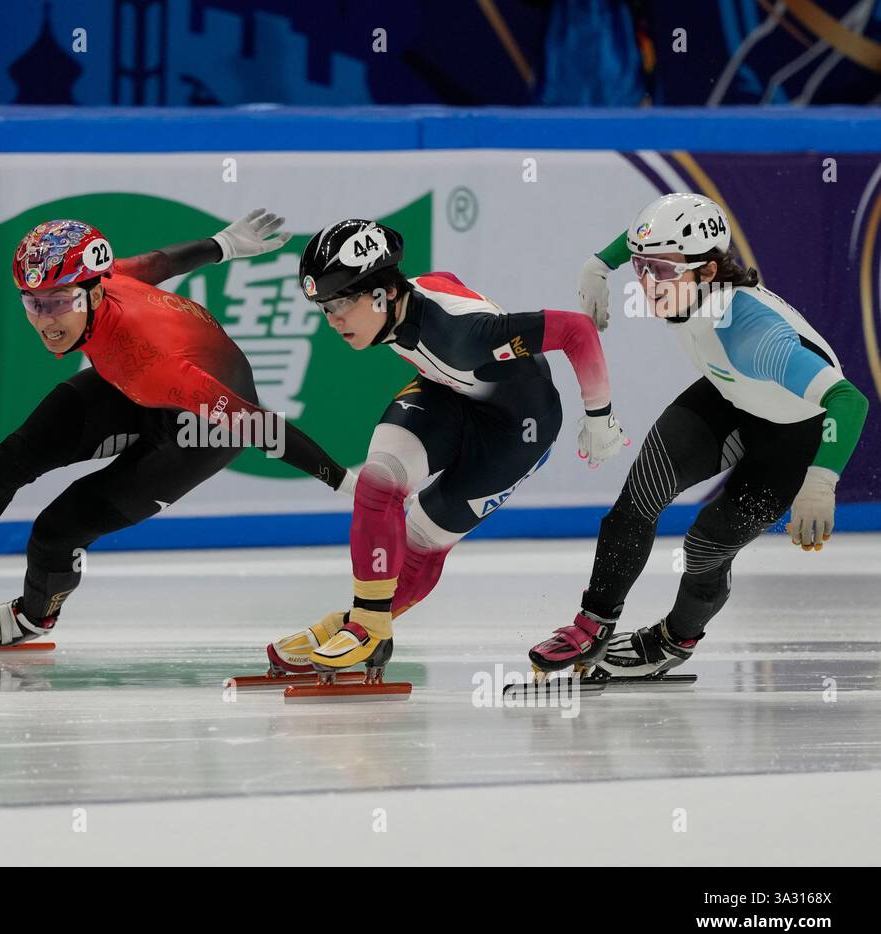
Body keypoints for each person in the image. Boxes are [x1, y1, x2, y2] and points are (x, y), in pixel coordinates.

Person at [0, 211, 353, 645]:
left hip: (197, 429)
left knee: (56, 530)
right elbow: (158, 262)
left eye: (58, 302)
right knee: (1, 468)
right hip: (126, 385)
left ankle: (33, 617)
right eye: (33, 303)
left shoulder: (159, 362)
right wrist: (222, 245)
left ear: (93, 290)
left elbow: (257, 425)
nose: (46, 319)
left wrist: (343, 479)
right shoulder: (103, 281)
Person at [269, 218, 624, 681]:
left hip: (517, 432)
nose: (332, 318)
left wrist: (601, 418)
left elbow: (576, 330)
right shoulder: (399, 303)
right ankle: (367, 624)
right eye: (323, 306)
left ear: (385, 292)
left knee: (421, 543)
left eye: (340, 302)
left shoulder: (463, 334)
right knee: (379, 484)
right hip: (450, 394)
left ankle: (365, 625)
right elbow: (448, 280)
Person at [532, 193, 869, 678]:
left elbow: (848, 399)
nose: (648, 285)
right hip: (729, 397)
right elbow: (644, 246)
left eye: (662, 273)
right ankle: (592, 626)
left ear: (708, 272)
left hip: (796, 438)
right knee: (638, 499)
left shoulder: (754, 337)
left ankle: (675, 640)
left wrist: (820, 483)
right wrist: (598, 265)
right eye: (642, 270)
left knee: (706, 545)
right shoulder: (690, 275)